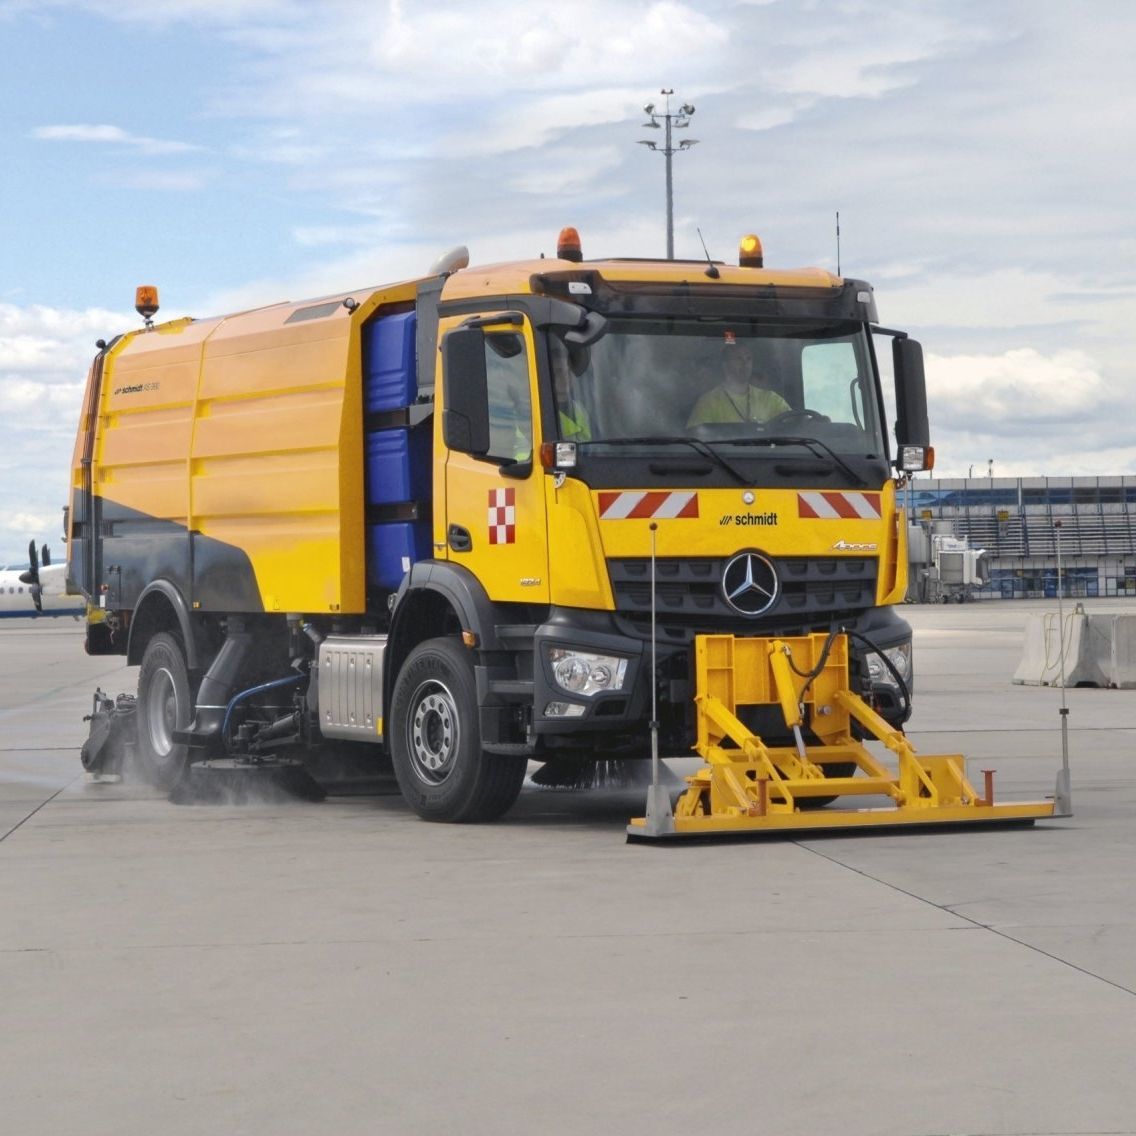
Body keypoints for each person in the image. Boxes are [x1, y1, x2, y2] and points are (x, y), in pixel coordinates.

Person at [686, 342, 790, 427]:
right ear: (725, 365)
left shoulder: (771, 399)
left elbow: (796, 426)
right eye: (738, 359)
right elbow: (696, 439)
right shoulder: (708, 403)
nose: (745, 364)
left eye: (748, 358)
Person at [551, 340, 592, 441]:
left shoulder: (580, 410)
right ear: (548, 375)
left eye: (569, 371)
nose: (566, 378)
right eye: (559, 372)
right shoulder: (540, 412)